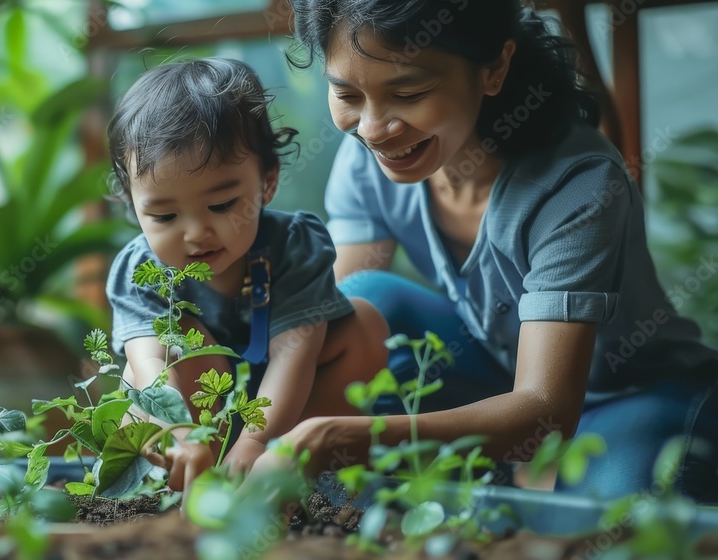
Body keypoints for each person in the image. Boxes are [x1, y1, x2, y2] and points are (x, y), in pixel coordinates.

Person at [253, 0, 718, 503]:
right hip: (497, 370)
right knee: (358, 304)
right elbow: (330, 330)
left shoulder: (575, 185)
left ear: (494, 68)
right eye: (347, 94)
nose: (372, 128)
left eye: (408, 93)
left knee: (611, 509)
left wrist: (338, 438)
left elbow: (545, 410)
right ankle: (407, 490)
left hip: (631, 392)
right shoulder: (369, 160)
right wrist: (253, 435)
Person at [104, 57, 391, 494]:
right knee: (148, 370)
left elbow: (295, 353)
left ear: (267, 183)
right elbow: (151, 365)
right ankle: (187, 483)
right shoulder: (140, 270)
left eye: (221, 206)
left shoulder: (293, 245)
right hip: (187, 412)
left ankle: (303, 468)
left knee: (364, 325)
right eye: (164, 216)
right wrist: (179, 433)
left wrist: (256, 441)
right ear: (132, 204)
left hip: (287, 404)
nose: (196, 233)